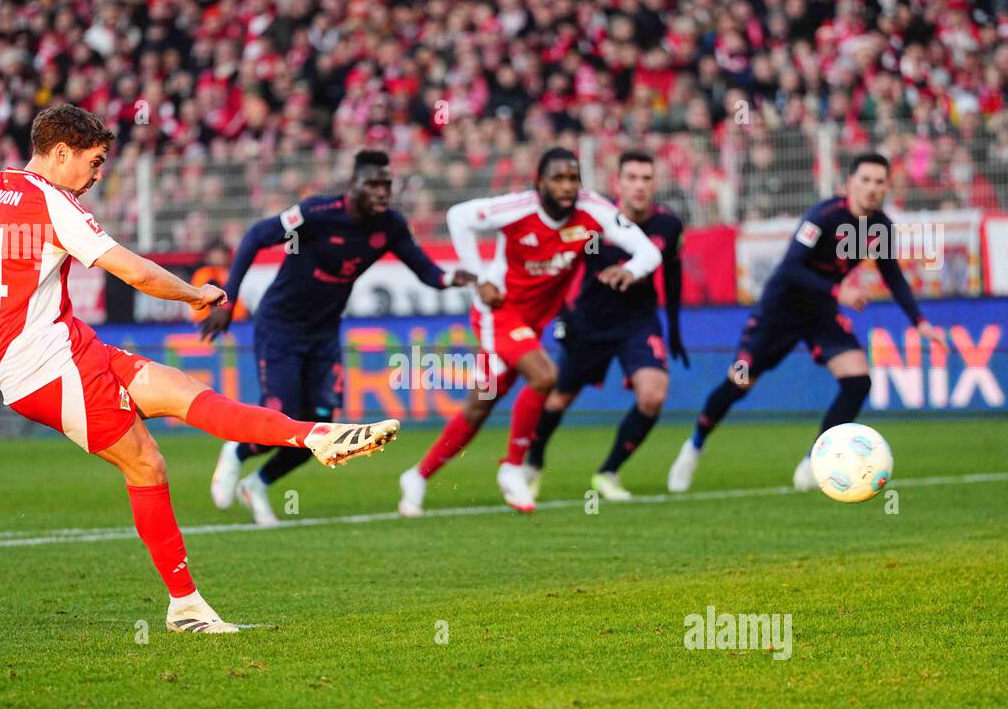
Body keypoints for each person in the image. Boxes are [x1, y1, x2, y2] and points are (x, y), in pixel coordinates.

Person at [0, 104, 399, 635]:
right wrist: (195, 294)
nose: (97, 175)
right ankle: (185, 607)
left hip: (70, 345)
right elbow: (133, 271)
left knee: (184, 390)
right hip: (45, 368)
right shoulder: (54, 203)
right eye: (93, 162)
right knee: (147, 465)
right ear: (60, 153)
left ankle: (316, 436)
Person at [198, 150, 475, 525]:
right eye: (373, 184)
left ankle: (258, 484)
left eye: (386, 185)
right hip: (281, 326)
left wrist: (449, 279)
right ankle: (236, 451)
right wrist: (228, 299)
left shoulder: (390, 225)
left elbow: (424, 269)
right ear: (352, 187)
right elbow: (255, 236)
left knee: (323, 428)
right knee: (283, 415)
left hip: (324, 333)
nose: (381, 192)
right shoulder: (317, 213)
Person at [397, 147, 662, 515]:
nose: (567, 186)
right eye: (558, 178)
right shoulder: (517, 208)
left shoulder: (594, 210)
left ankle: (418, 476)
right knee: (545, 375)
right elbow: (459, 216)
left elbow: (649, 252)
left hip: (532, 324)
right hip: (499, 313)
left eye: (573, 178)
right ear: (539, 183)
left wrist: (631, 271)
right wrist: (480, 279)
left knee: (478, 407)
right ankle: (512, 465)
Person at [667, 152, 945, 493]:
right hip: (780, 310)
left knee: (858, 380)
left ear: (887, 186)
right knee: (737, 382)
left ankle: (815, 462)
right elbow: (791, 268)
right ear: (849, 184)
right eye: (865, 180)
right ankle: (693, 447)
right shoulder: (825, 217)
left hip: (821, 313)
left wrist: (919, 321)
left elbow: (893, 275)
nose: (872, 188)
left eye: (879, 182)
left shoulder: (880, 227)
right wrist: (837, 291)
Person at [524, 150, 687, 501]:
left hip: (638, 322)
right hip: (590, 322)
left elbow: (672, 275)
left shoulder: (668, 226)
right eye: (631, 178)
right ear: (618, 183)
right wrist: (563, 318)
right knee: (557, 400)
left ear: (654, 183)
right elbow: (563, 268)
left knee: (653, 395)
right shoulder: (595, 220)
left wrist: (674, 327)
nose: (639, 186)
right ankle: (533, 461)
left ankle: (608, 472)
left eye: (646, 178)